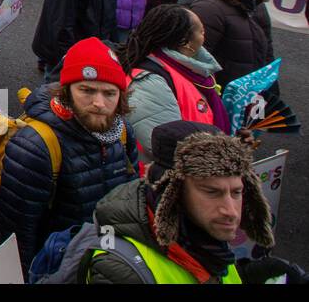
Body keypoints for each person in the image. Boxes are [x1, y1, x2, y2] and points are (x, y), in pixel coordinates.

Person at [0, 38, 138, 270]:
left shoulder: (122, 132)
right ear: (66, 91)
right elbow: (18, 233)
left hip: (105, 261)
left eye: (109, 93)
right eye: (87, 90)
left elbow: (129, 201)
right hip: (56, 268)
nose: (99, 103)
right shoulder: (36, 146)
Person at [81, 122, 281, 284]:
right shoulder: (119, 271)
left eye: (237, 192)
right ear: (172, 193)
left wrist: (249, 276)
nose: (231, 211)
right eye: (212, 192)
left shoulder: (201, 233)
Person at [122, 6, 227, 165]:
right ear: (185, 41)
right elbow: (165, 147)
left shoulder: (190, 72)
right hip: (175, 179)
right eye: (201, 32)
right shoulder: (149, 83)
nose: (204, 37)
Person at [191, 0, 276, 90]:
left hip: (251, 93)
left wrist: (271, 90)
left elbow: (267, 53)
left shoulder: (257, 5)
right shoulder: (209, 8)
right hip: (221, 94)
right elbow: (198, 58)